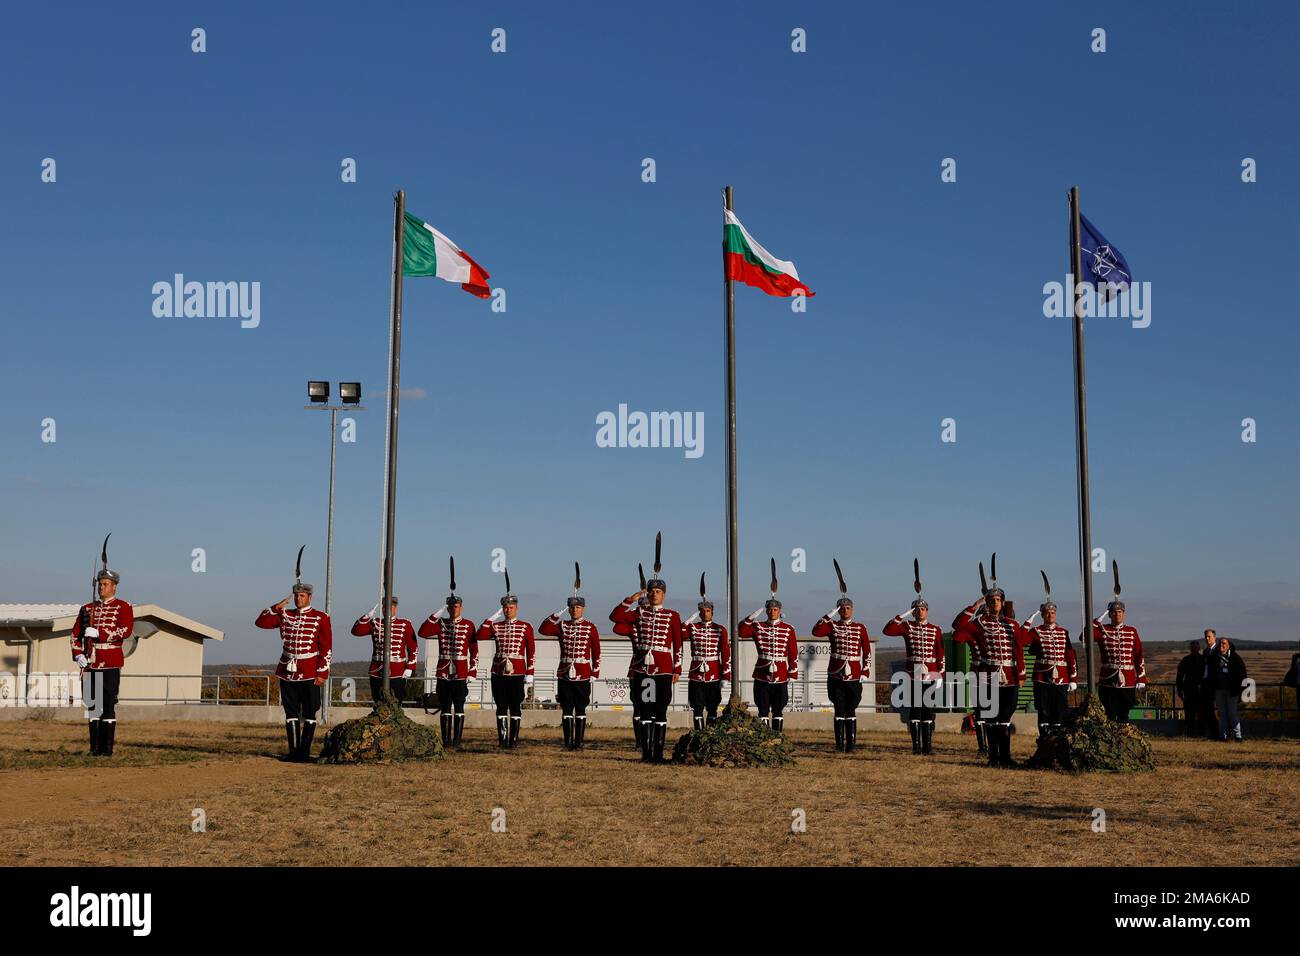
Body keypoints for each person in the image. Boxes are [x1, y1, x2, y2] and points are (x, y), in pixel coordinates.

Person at [953, 586, 1031, 767]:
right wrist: (974, 606)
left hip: (1010, 676)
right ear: (987, 603)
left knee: (1005, 718)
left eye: (997, 600)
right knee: (991, 717)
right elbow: (958, 626)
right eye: (991, 600)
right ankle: (993, 757)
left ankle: (1005, 757)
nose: (994, 602)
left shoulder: (1012, 624)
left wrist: (1021, 673)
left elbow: (1018, 651)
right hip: (988, 677)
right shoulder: (979, 623)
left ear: (1002, 603)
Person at [256, 579, 332, 762]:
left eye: (302, 596)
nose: (299, 599)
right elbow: (261, 623)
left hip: (309, 671)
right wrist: (276, 607)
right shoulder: (286, 615)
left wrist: (322, 673)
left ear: (309, 597)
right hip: (287, 671)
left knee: (310, 712)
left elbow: (326, 647)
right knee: (290, 712)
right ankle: (293, 752)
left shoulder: (321, 617)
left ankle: (304, 753)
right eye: (297, 596)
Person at [610, 574, 682, 762]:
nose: (654, 594)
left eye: (658, 592)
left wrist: (677, 668)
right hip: (643, 670)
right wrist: (630, 600)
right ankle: (646, 753)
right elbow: (615, 617)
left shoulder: (672, 615)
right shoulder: (640, 613)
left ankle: (658, 753)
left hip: (663, 669)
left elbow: (678, 643)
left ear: (664, 595)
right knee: (644, 710)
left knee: (661, 710)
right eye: (651, 592)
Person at [71, 556, 134, 758]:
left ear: (114, 587)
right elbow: (74, 635)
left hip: (110, 661)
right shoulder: (87, 609)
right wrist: (78, 655)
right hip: (90, 663)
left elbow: (125, 630)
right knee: (92, 706)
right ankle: (93, 748)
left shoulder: (124, 607)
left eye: (105, 584)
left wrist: (101, 634)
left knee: (108, 705)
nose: (101, 588)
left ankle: (107, 749)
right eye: (99, 584)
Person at [539, 594, 600, 750]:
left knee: (580, 709)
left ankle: (579, 743)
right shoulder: (562, 625)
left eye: (577, 607)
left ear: (583, 609)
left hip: (583, 673)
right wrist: (557, 614)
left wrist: (595, 673)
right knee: (566, 709)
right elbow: (543, 629)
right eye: (571, 607)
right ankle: (568, 743)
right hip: (565, 673)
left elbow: (596, 652)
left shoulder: (590, 627)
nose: (574, 610)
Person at [882, 599, 943, 756]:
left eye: (923, 609)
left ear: (927, 611)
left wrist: (940, 674)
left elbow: (940, 654)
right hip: (912, 675)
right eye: (917, 609)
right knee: (915, 710)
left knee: (928, 710)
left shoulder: (935, 629)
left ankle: (927, 747)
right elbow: (888, 630)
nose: (920, 612)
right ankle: (916, 747)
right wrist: (904, 614)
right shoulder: (907, 627)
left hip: (931, 673)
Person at [419, 594, 478, 749]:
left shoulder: (469, 624)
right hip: (443, 671)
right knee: (445, 707)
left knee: (459, 707)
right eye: (450, 607)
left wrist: (472, 671)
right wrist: (436, 614)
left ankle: (457, 742)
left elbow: (474, 650)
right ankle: (445, 741)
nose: (453, 609)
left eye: (456, 606)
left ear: (461, 607)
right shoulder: (440, 623)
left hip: (460, 671)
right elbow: (422, 632)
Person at [479, 588, 535, 749]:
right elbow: (480, 635)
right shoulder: (496, 626)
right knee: (501, 706)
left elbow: (531, 651)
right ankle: (502, 740)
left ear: (516, 608)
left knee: (515, 706)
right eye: (505, 607)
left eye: (511, 607)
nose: (507, 610)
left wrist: (530, 672)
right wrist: (491, 619)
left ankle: (514, 740)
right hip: (498, 672)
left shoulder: (526, 626)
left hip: (517, 673)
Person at [816, 597, 872, 753]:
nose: (844, 611)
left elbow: (867, 651)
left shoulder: (860, 627)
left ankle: (851, 744)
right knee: (838, 708)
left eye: (847, 608)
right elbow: (817, 631)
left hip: (854, 674)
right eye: (841, 608)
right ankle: (839, 744)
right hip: (836, 673)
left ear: (852, 609)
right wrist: (829, 614)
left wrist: (865, 671)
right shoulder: (832, 625)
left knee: (851, 708)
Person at [738, 599, 799, 734]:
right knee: (763, 709)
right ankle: (764, 739)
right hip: (762, 674)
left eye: (775, 610)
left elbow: (793, 652)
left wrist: (793, 672)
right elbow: (741, 631)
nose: (772, 612)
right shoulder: (758, 626)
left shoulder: (788, 629)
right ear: (766, 611)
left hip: (781, 675)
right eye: (770, 610)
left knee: (778, 710)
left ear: (780, 611)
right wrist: (752, 616)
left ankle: (778, 738)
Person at [1024, 599, 1077, 736]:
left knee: (1059, 710)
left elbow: (1070, 656)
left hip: (1061, 677)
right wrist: (1028, 622)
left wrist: (1073, 678)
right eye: (1047, 613)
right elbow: (1022, 640)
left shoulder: (1064, 632)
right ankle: (1044, 742)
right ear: (1042, 615)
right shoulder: (1036, 631)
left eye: (1053, 613)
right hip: (1042, 678)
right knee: (1043, 711)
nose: (1050, 615)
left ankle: (1057, 741)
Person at [350, 597, 417, 704]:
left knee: (396, 702)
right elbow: (356, 631)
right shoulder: (375, 622)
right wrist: (367, 616)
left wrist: (410, 667)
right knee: (378, 701)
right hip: (377, 669)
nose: (389, 609)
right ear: (382, 608)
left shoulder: (405, 624)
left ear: (396, 608)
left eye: (392, 606)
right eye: (386, 607)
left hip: (398, 670)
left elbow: (413, 647)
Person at [1091, 599, 1146, 724]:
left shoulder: (1132, 631)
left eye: (1120, 612)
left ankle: (1123, 737)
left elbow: (1138, 655)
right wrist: (1097, 620)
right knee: (1109, 711)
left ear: (1124, 614)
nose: (1117, 615)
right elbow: (1084, 637)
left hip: (1127, 679)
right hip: (1108, 679)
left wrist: (1141, 677)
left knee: (1124, 712)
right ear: (1109, 614)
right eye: (1114, 612)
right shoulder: (1102, 630)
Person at [683, 593, 730, 731]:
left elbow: (725, 653)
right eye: (702, 611)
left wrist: (726, 675)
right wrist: (688, 620)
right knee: (697, 708)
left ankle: (709, 736)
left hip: (714, 674)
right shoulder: (693, 627)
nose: (705, 613)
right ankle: (698, 735)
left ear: (712, 612)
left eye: (708, 611)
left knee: (712, 708)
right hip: (696, 673)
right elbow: (680, 633)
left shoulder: (720, 629)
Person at [1205, 635, 1247, 742]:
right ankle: (1222, 736)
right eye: (1220, 643)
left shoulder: (1235, 658)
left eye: (1224, 644)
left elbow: (1242, 674)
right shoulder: (1214, 658)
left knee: (1232, 713)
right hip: (1219, 690)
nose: (1221, 646)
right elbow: (1209, 674)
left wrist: (1241, 689)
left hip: (1232, 691)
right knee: (1222, 713)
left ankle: (1238, 735)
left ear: (1229, 646)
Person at [1174, 640, 1205, 736]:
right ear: (1190, 649)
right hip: (1189, 691)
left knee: (1201, 713)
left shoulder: (1203, 660)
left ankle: (1200, 733)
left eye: (1195, 647)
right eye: (1192, 648)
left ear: (1199, 648)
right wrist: (1179, 690)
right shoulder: (1186, 660)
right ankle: (1191, 733)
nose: (1194, 649)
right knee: (1189, 714)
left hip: (1201, 691)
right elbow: (1179, 676)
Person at [1199, 629, 1219, 738]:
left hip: (1215, 684)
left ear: (1214, 637)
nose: (1207, 639)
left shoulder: (1218, 650)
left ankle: (1222, 733)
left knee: (1220, 710)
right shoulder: (1206, 652)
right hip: (1206, 684)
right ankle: (1213, 733)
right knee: (1208, 710)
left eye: (1209, 636)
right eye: (1206, 637)